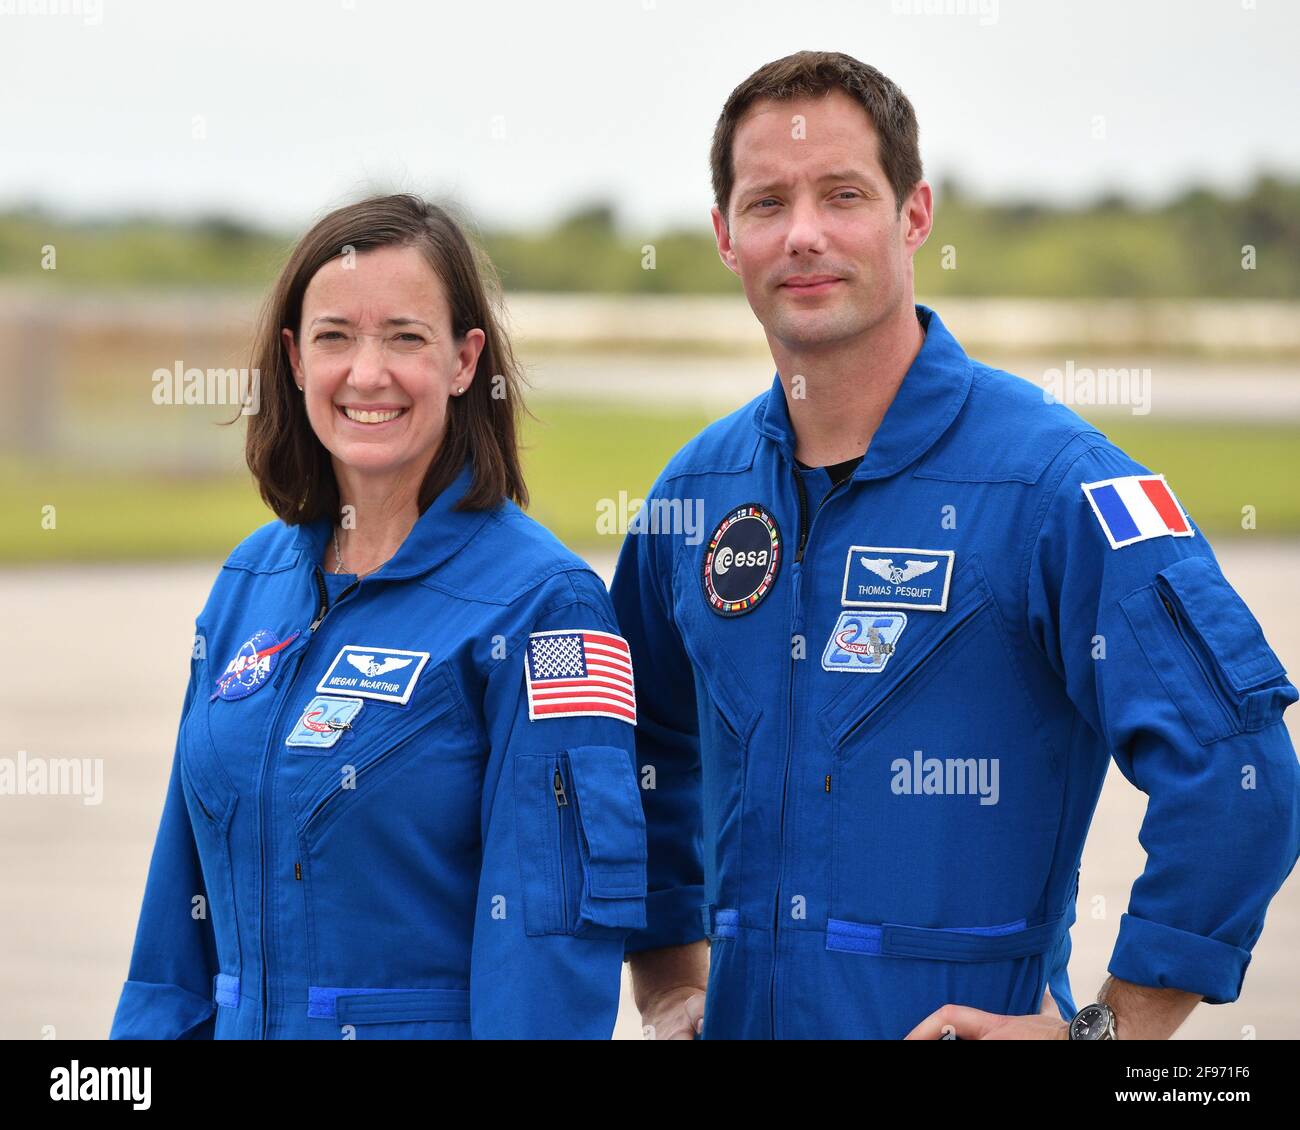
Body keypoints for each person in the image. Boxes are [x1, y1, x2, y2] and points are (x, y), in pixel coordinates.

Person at [611, 51, 1300, 1040]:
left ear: (913, 214)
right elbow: (635, 746)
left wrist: (1110, 1031)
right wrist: (668, 970)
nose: (803, 233)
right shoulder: (695, 495)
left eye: (842, 194)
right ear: (725, 236)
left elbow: (1240, 777)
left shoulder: (1056, 486)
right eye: (766, 203)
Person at [110, 194, 646, 1039]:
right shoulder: (248, 586)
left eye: (405, 336)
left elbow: (550, 954)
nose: (367, 373)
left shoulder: (547, 608)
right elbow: (179, 924)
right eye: (334, 337)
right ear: (293, 358)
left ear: (466, 360)